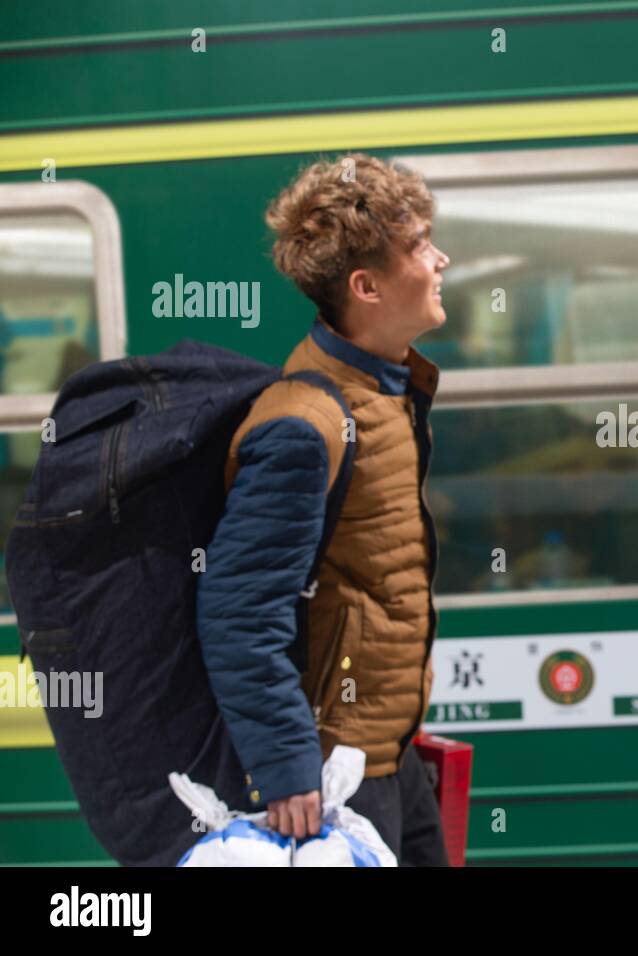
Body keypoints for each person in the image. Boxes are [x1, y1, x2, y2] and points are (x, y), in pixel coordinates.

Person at [196, 153, 451, 865]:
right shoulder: (305, 423)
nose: (441, 259)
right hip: (333, 777)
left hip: (386, 753)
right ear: (366, 285)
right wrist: (284, 765)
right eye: (420, 245)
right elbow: (239, 607)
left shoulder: (387, 389)